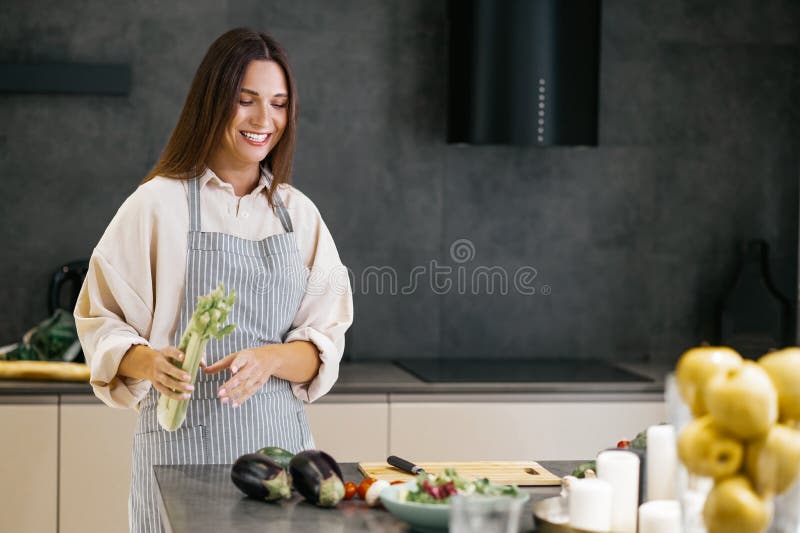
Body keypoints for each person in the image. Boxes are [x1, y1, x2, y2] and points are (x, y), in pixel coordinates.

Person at [74, 28, 353, 533]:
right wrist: (150, 363)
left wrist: (269, 359)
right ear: (213, 100)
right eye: (245, 101)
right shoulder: (157, 205)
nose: (263, 120)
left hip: (282, 469)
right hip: (179, 464)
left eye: (278, 104)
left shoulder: (299, 215)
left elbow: (323, 343)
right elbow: (101, 321)